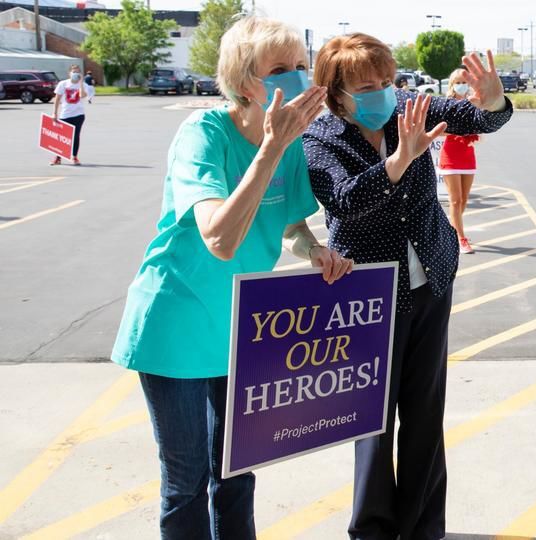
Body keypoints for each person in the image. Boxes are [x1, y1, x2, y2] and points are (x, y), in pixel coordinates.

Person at [110, 17, 352, 538]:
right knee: (186, 481)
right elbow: (219, 239)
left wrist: (315, 250)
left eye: (300, 68)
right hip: (176, 326)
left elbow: (290, 223)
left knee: (238, 472)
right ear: (246, 83)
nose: (296, 78)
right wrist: (269, 149)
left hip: (241, 329)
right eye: (279, 70)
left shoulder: (292, 145)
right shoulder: (204, 135)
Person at [306, 34, 512, 540]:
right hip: (367, 291)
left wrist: (492, 99)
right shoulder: (320, 138)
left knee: (424, 410)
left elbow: (481, 119)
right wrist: (398, 160)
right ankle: (373, 528)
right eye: (364, 86)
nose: (381, 92)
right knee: (371, 417)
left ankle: (423, 527)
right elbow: (344, 201)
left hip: (431, 277)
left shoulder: (407, 106)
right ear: (336, 93)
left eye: (385, 80)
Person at [438, 67, 481, 254]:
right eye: (458, 82)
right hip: (450, 155)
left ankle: (452, 229)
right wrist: (459, 131)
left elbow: (480, 123)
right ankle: (460, 239)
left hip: (467, 155)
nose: (461, 86)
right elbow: (439, 129)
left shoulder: (473, 103)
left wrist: (474, 132)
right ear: (452, 85)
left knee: (463, 199)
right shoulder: (446, 104)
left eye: (464, 82)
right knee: (455, 201)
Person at [50, 65, 92, 165]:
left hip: (78, 114)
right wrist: (54, 113)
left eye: (77, 72)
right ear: (69, 73)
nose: (75, 74)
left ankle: (74, 157)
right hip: (65, 114)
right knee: (61, 137)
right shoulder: (63, 84)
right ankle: (58, 157)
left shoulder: (83, 85)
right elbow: (57, 99)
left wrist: (81, 82)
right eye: (73, 72)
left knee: (76, 136)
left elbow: (82, 96)